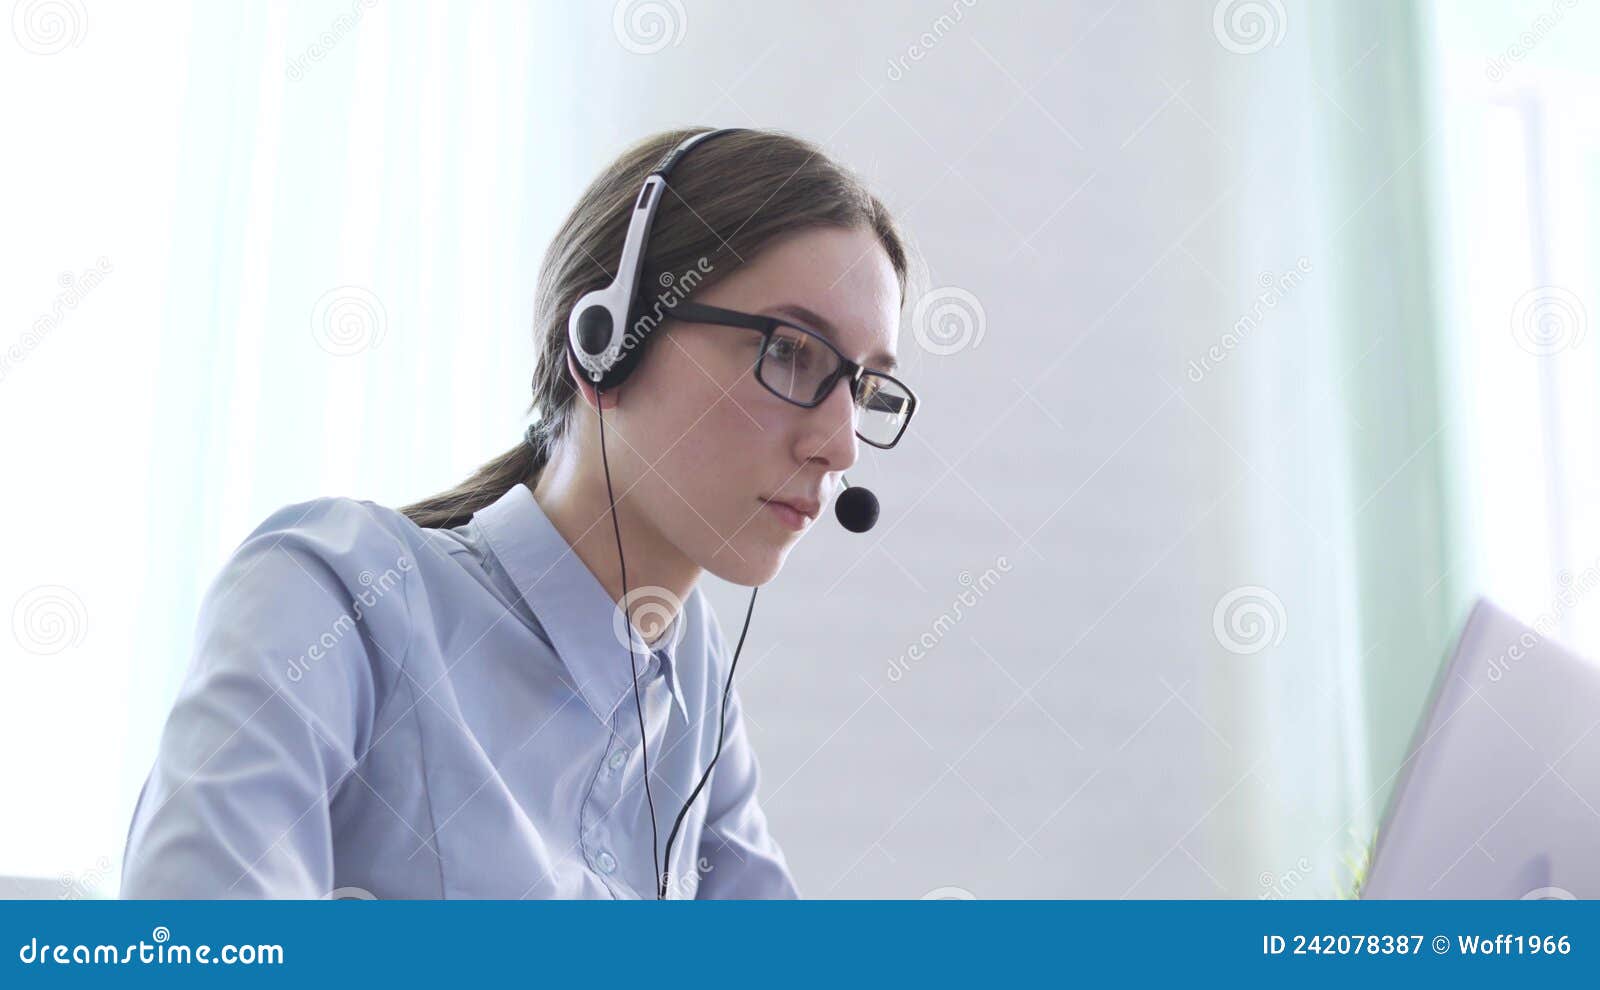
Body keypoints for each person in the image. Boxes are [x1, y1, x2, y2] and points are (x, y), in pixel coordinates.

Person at [120, 126, 920, 899]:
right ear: (604, 344)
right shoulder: (334, 593)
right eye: (787, 350)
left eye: (864, 387)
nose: (840, 445)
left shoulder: (693, 681)